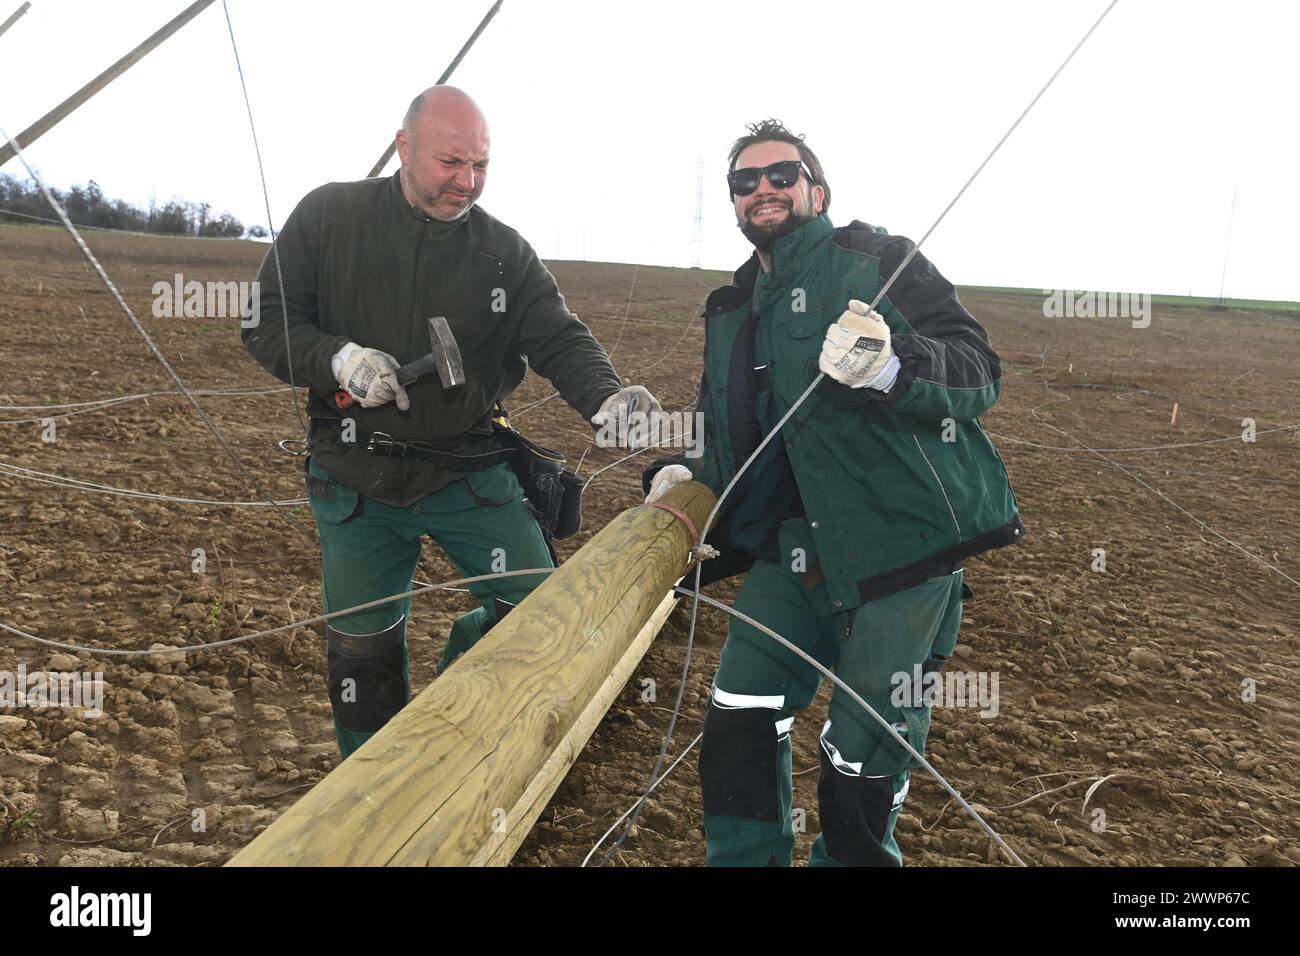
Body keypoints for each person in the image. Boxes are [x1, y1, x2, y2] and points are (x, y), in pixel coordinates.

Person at [644, 119, 1025, 866]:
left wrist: (891, 366)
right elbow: (728, 432)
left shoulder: (879, 261)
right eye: (744, 181)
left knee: (863, 751)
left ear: (817, 190)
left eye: (780, 175)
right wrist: (687, 472)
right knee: (739, 714)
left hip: (902, 548)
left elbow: (980, 369)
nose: (763, 189)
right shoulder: (733, 308)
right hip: (794, 546)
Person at [243, 86, 657, 759]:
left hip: (467, 470)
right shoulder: (330, 217)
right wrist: (337, 359)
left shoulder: (501, 253)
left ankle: (451, 709)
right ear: (403, 146)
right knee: (362, 650)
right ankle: (371, 784)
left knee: (537, 621)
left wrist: (606, 397)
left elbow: (558, 337)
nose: (467, 183)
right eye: (450, 162)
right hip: (356, 479)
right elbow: (266, 320)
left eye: (481, 165)